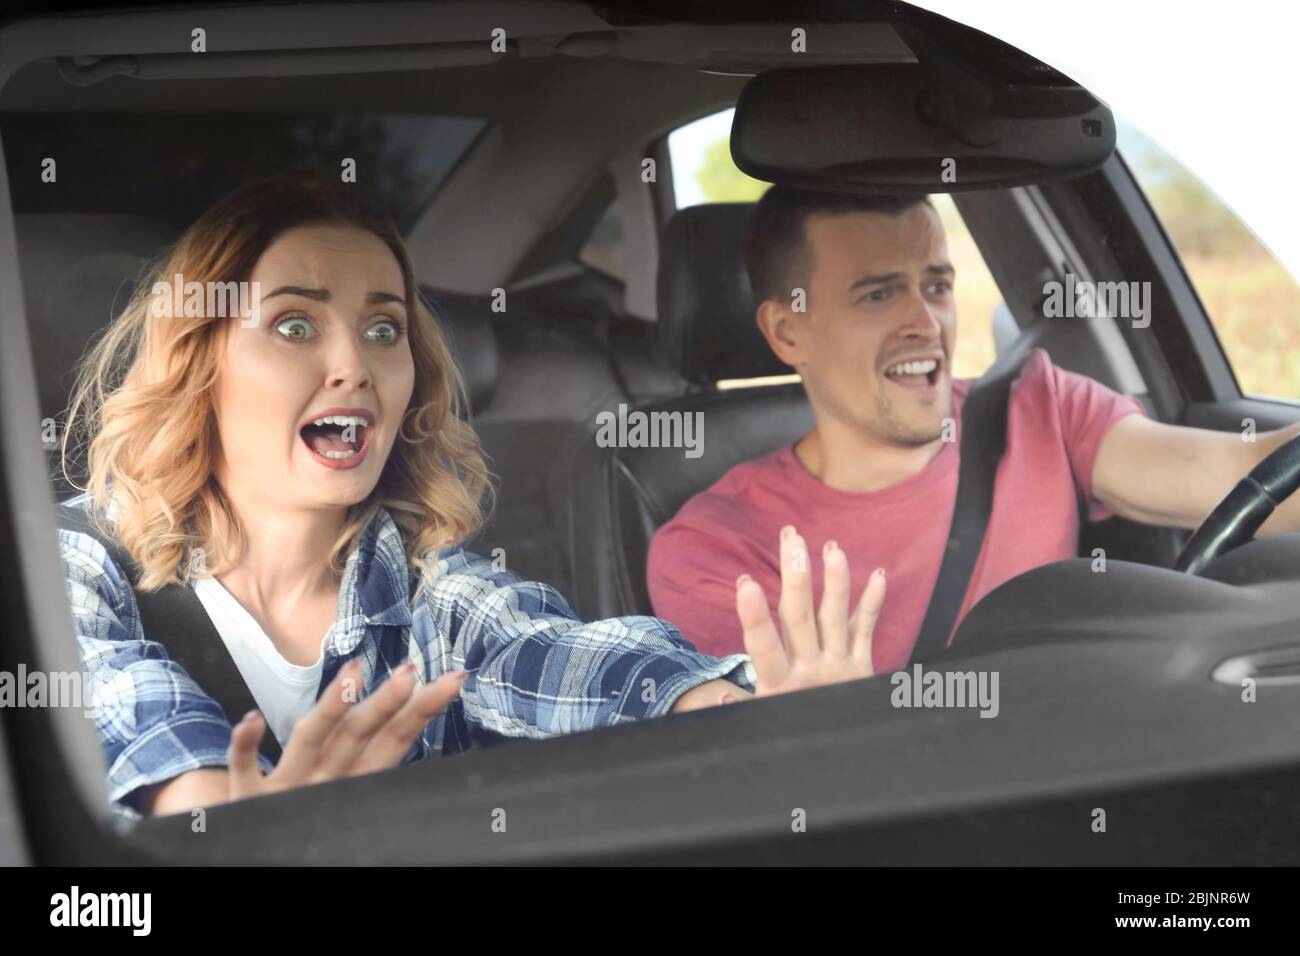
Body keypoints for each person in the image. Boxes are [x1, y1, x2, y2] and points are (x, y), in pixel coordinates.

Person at [57, 174, 876, 822]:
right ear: (202, 364)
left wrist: (742, 711)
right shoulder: (76, 560)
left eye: (385, 330)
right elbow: (121, 699)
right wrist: (224, 820)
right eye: (296, 326)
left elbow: (565, 660)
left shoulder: (432, 594)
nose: (355, 365)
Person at [647, 186, 1300, 662]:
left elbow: (1238, 478)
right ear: (788, 331)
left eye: (935, 286)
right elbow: (790, 768)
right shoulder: (713, 549)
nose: (926, 324)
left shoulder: (1037, 407)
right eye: (877, 294)